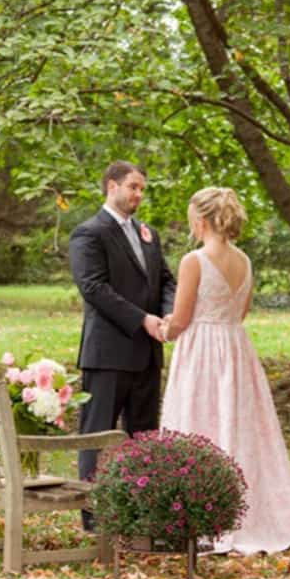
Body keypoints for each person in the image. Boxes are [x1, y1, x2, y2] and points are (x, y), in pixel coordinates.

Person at [159, 188, 290, 553]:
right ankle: (245, 511)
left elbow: (181, 319)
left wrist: (164, 329)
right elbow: (240, 312)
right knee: (239, 426)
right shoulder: (245, 261)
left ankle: (200, 517)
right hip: (235, 348)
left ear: (200, 221)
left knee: (198, 422)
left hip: (201, 351)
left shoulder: (194, 261)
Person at [69, 161, 176, 496]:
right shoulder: (89, 233)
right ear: (111, 186)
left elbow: (165, 280)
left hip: (146, 354)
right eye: (133, 187)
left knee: (144, 439)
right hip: (108, 354)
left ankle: (140, 512)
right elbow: (94, 288)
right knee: (97, 436)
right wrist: (141, 319)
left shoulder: (148, 234)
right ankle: (92, 514)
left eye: (142, 188)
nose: (138, 194)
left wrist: (169, 315)